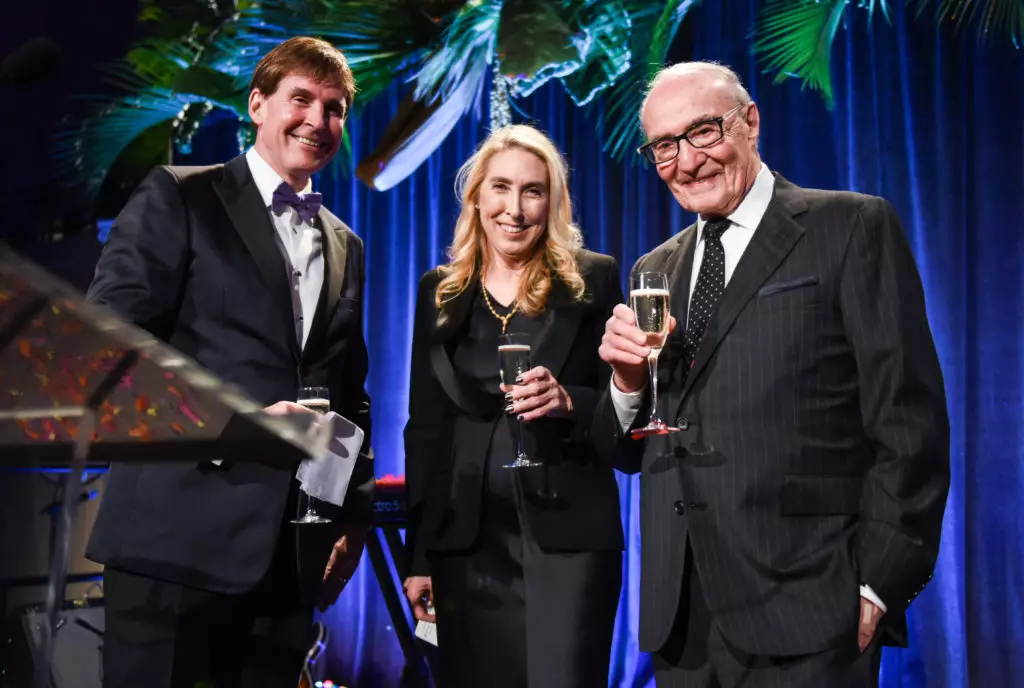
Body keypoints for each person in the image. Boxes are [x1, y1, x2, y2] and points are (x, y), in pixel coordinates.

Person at [595, 62, 950, 686]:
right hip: (682, 619)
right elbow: (625, 451)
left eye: (703, 132)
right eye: (664, 147)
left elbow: (910, 424)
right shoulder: (654, 269)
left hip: (813, 608)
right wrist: (626, 384)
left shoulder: (850, 227)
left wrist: (879, 581)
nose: (687, 160)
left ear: (750, 122)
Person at [85, 37, 374, 688]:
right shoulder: (179, 197)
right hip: (171, 550)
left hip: (287, 560)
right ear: (257, 104)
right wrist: (233, 422)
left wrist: (353, 516)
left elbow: (351, 392)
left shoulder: (346, 244)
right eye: (300, 99)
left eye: (334, 109)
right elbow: (110, 349)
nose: (317, 121)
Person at [402, 124, 624, 687]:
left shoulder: (592, 280)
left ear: (553, 201)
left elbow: (630, 413)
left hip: (568, 542)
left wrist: (571, 400)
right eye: (501, 187)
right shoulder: (440, 292)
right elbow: (426, 430)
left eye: (533, 191)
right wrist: (420, 554)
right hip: (466, 547)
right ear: (476, 194)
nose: (515, 208)